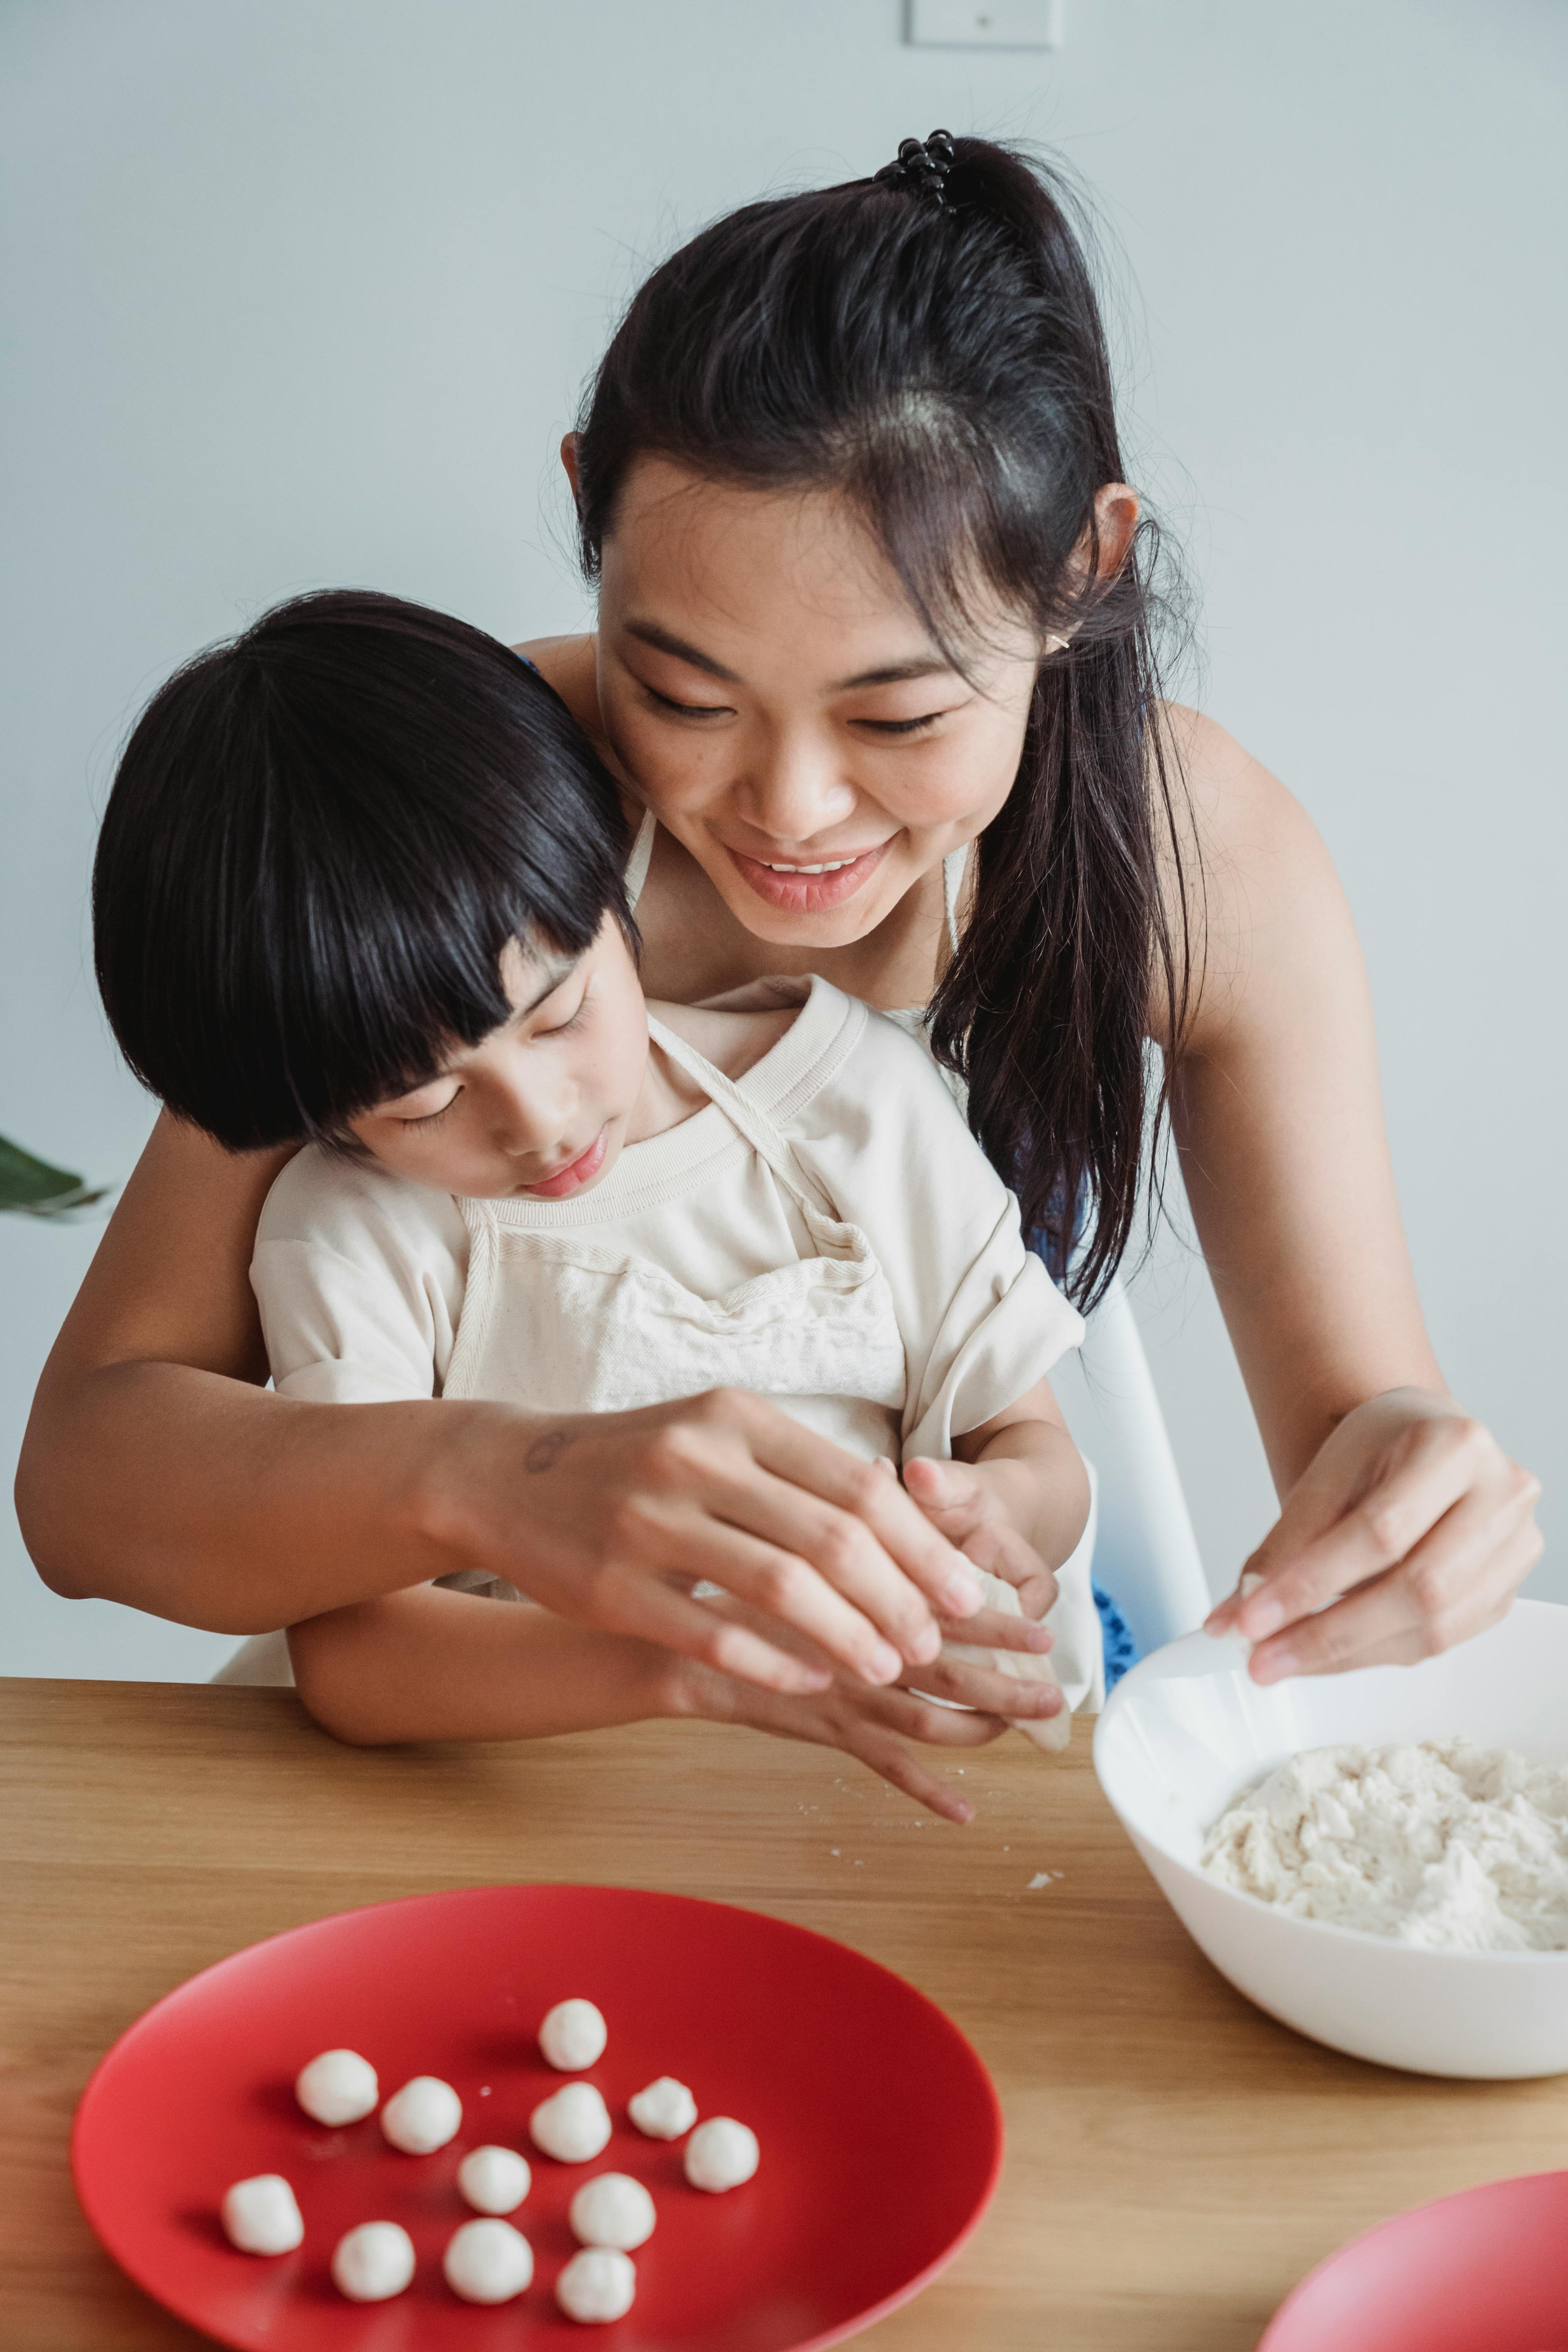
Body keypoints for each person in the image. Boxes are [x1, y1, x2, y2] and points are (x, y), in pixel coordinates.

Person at [18, 131, 1539, 1720]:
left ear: (1085, 564)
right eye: (681, 696)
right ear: (583, 520)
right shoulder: (481, 847)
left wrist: (1408, 1479)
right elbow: (86, 1480)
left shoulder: (1187, 860)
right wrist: (498, 1476)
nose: (790, 810)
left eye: (900, 716)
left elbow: (1356, 1430)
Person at [89, 589, 1094, 1818]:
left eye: (561, 1013)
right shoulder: (352, 1231)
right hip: (501, 1816)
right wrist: (702, 1668)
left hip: (849, 1812)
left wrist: (998, 1519)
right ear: (324, 1115)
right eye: (419, 1106)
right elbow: (361, 1664)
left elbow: (1032, 1451)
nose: (538, 1118)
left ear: (619, 891)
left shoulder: (853, 1105)